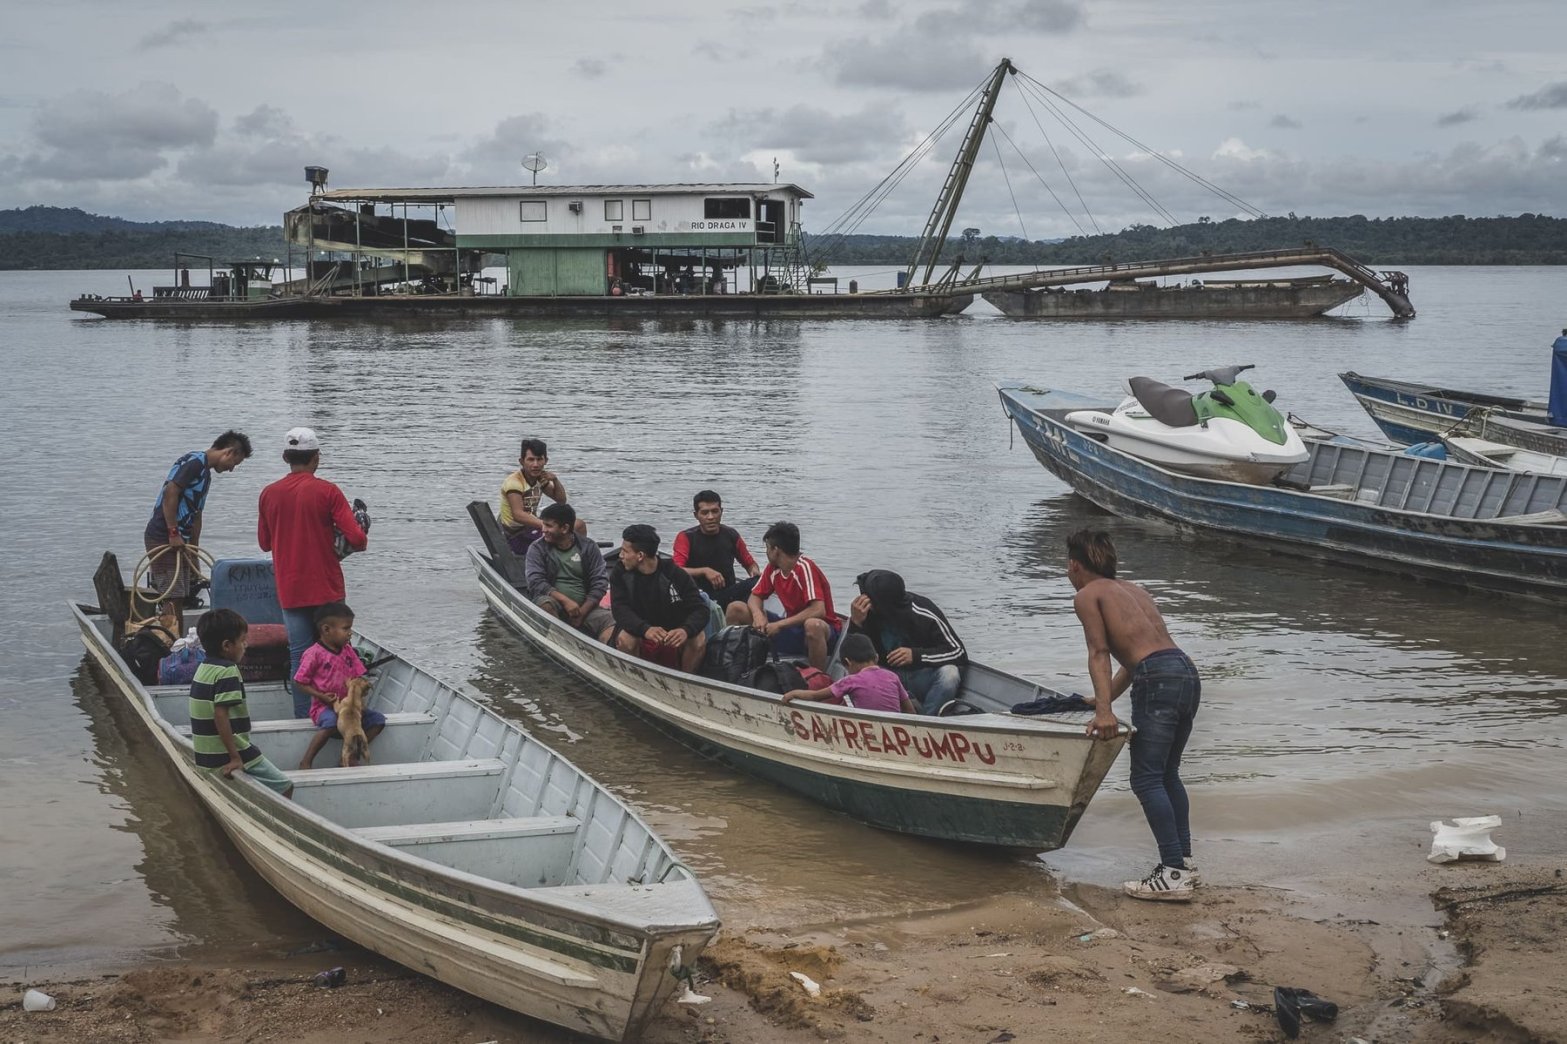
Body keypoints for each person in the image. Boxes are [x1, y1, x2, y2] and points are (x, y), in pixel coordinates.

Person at [1067, 528, 1201, 902]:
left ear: (1075, 565)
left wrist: (1106, 711)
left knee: (1146, 779)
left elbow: (1100, 653)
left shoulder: (1087, 594)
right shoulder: (1135, 590)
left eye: (1067, 565)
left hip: (1158, 679)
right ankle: (1184, 864)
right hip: (1184, 671)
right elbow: (1138, 657)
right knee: (1167, 773)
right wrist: (1102, 699)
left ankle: (1172, 872)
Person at [257, 427, 368, 718]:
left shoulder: (268, 494)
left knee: (301, 657)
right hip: (327, 589)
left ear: (285, 457)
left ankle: (305, 717)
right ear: (316, 458)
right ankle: (345, 715)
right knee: (339, 653)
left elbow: (264, 543)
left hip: (291, 589)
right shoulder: (328, 492)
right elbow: (357, 539)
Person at [188, 608, 293, 797]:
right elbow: (220, 715)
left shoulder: (204, 667)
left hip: (205, 754)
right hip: (227, 752)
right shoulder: (228, 671)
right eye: (243, 640)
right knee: (284, 785)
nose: (246, 645)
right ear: (227, 645)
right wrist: (235, 757)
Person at [144, 430, 253, 601]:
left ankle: (178, 625)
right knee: (173, 596)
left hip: (181, 541)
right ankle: (172, 627)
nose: (231, 469)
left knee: (185, 593)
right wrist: (173, 532)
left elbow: (197, 515)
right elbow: (170, 493)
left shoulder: (205, 475)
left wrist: (194, 553)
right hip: (163, 536)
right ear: (229, 452)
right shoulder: (194, 463)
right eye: (234, 463)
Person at [848, 569, 968, 715]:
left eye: (869, 598)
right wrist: (856, 623)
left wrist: (916, 655)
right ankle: (878, 715)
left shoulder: (922, 611)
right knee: (853, 668)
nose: (865, 602)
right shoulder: (864, 613)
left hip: (919, 674)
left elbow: (957, 651)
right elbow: (849, 657)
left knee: (950, 674)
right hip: (885, 676)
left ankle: (926, 721)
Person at [727, 521, 840, 671]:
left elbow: (818, 610)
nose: (766, 552)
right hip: (792, 629)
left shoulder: (804, 568)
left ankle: (817, 678)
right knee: (735, 609)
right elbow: (755, 596)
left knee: (813, 625)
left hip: (820, 633)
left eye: (767, 548)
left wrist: (779, 625)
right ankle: (735, 667)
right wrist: (757, 614)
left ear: (776, 550)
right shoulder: (773, 569)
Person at [294, 602, 387, 769]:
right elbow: (300, 682)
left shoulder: (348, 651)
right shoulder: (314, 654)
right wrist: (322, 696)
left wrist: (359, 695)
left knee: (378, 720)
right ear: (326, 629)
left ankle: (350, 757)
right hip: (323, 707)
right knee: (330, 722)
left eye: (350, 628)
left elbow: (358, 675)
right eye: (346, 629)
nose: (350, 633)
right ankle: (306, 761)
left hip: (350, 707)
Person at [609, 524, 710, 672]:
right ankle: (636, 678)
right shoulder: (620, 572)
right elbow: (620, 610)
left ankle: (685, 681)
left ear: (640, 556)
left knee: (698, 639)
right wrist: (645, 629)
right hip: (639, 630)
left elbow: (701, 609)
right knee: (626, 640)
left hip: (671, 633)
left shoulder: (674, 573)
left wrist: (685, 630)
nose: (620, 556)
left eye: (625, 551)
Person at [523, 502, 614, 638]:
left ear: (565, 528)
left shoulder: (588, 547)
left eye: (548, 526)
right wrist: (566, 601)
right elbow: (535, 581)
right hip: (553, 602)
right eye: (543, 524)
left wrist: (582, 612)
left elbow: (600, 582)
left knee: (611, 621)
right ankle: (558, 641)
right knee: (546, 605)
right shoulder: (537, 548)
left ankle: (605, 655)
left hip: (585, 607)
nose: (543, 530)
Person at [780, 633, 916, 713]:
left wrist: (793, 694)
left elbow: (816, 696)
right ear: (876, 657)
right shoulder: (892, 676)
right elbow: (910, 711)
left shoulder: (851, 680)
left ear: (848, 663)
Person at [672, 489, 761, 607]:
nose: (710, 517)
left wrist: (753, 571)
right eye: (705, 513)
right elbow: (675, 570)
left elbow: (749, 563)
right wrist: (704, 571)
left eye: (715, 511)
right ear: (696, 515)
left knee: (757, 581)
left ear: (721, 512)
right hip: (699, 596)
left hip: (728, 594)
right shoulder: (686, 537)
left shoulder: (731, 534)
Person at [499, 438, 583, 554]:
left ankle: (576, 559)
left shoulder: (539, 479)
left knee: (579, 525)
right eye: (531, 460)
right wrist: (547, 526)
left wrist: (555, 480)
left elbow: (561, 500)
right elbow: (518, 515)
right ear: (521, 461)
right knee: (562, 531)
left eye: (539, 460)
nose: (535, 465)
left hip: (532, 530)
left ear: (546, 460)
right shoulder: (514, 483)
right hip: (517, 537)